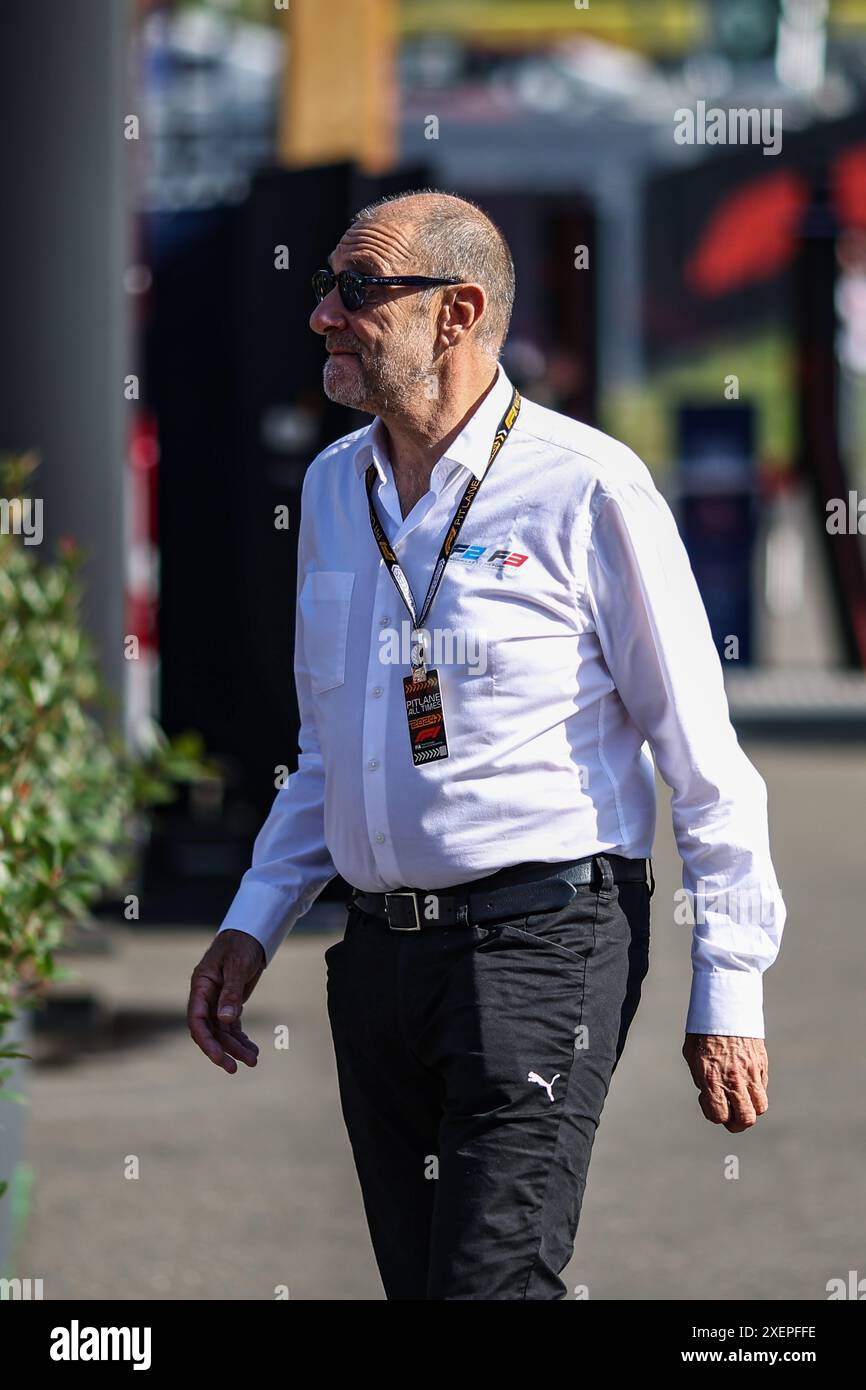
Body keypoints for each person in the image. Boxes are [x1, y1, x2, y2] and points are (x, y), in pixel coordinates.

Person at [187, 190, 786, 1301]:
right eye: (324, 287)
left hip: (542, 947)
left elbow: (703, 760)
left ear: (455, 314)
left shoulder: (587, 486)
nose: (321, 315)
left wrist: (729, 992)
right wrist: (251, 918)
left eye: (355, 292)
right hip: (376, 964)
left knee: (488, 1289)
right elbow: (329, 752)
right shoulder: (332, 490)